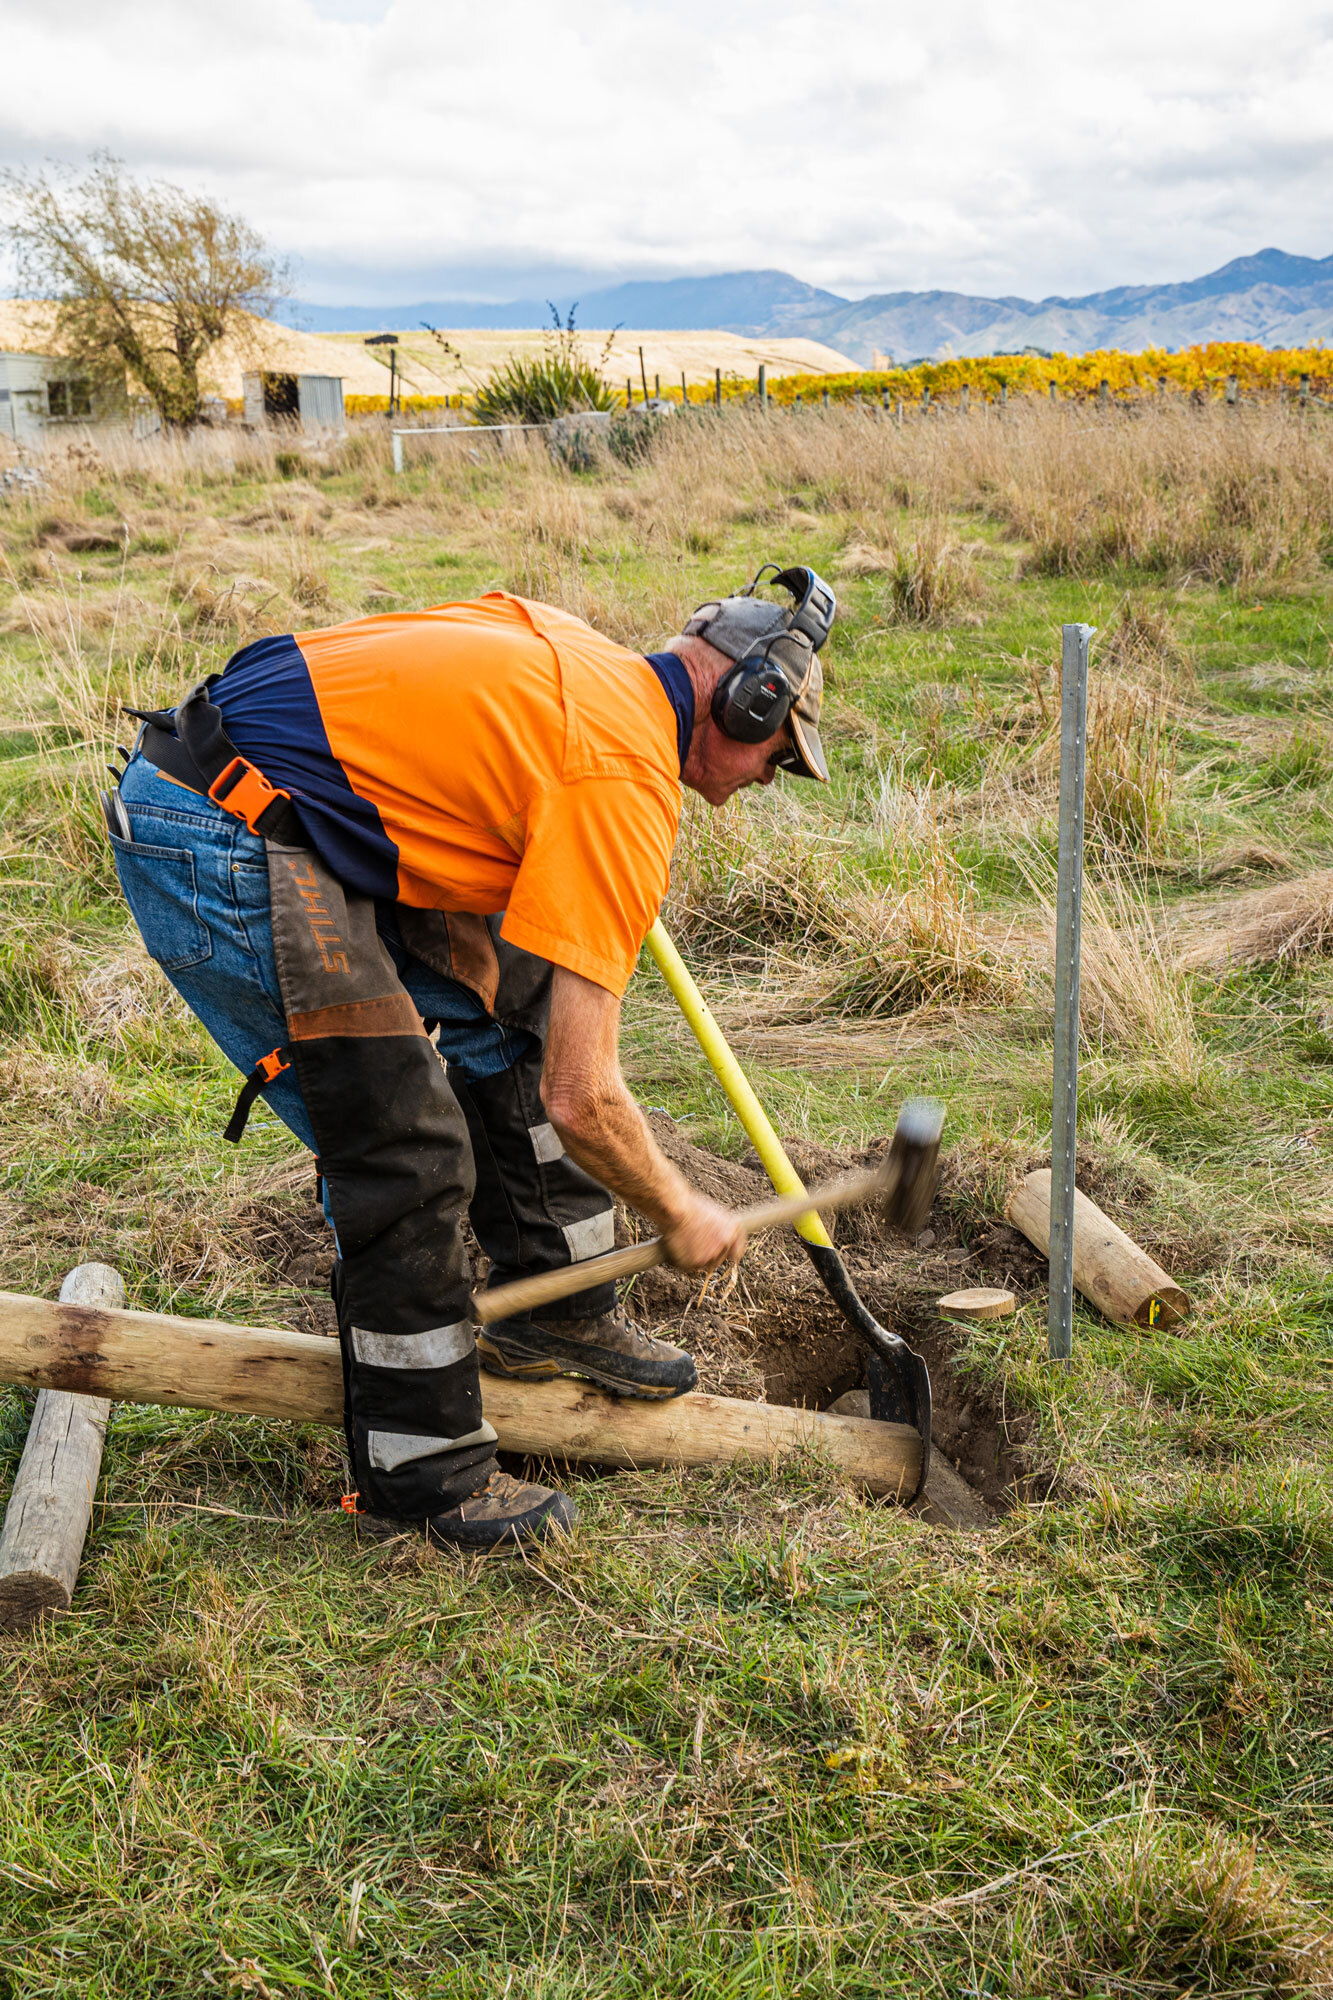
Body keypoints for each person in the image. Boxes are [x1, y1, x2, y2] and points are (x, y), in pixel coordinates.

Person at [104, 564, 835, 1551]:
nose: (762, 781)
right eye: (777, 757)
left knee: (511, 1003)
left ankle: (561, 1312)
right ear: (747, 704)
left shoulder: (590, 659)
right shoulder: (620, 780)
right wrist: (677, 1207)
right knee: (402, 1148)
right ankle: (422, 1472)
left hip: (300, 812)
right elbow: (583, 1096)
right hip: (221, 825)